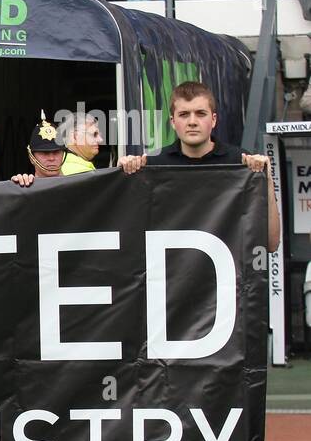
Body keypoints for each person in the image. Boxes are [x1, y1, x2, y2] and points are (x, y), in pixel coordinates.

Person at [118, 79, 282, 287]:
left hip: (227, 291)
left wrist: (265, 179)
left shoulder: (240, 163)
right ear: (172, 121)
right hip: (169, 291)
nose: (192, 121)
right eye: (184, 114)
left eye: (200, 113)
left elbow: (271, 242)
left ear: (213, 120)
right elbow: (127, 236)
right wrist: (122, 176)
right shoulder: (152, 165)